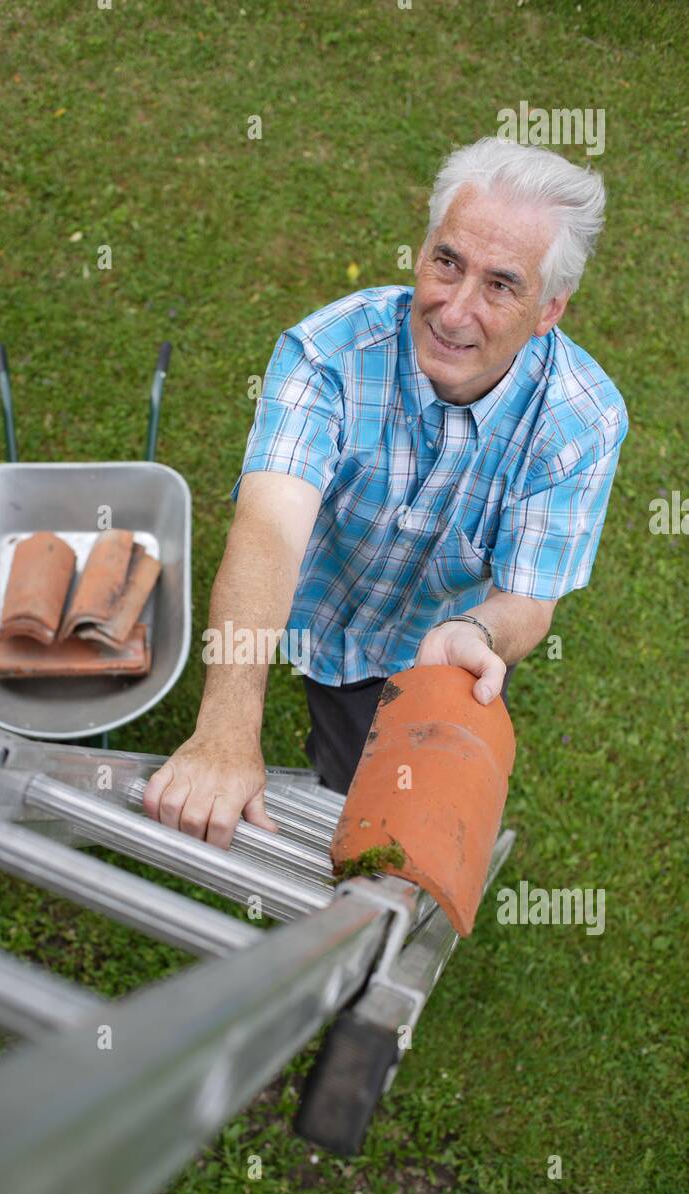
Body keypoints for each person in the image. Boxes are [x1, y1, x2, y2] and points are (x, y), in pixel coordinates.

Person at [144, 135, 629, 847]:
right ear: (423, 249)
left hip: (444, 647)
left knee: (381, 810)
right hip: (323, 606)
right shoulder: (328, 353)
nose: (454, 311)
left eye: (501, 285)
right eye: (447, 262)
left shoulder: (582, 421)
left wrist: (478, 633)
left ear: (549, 311)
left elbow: (529, 597)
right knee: (340, 728)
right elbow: (269, 530)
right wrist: (224, 729)